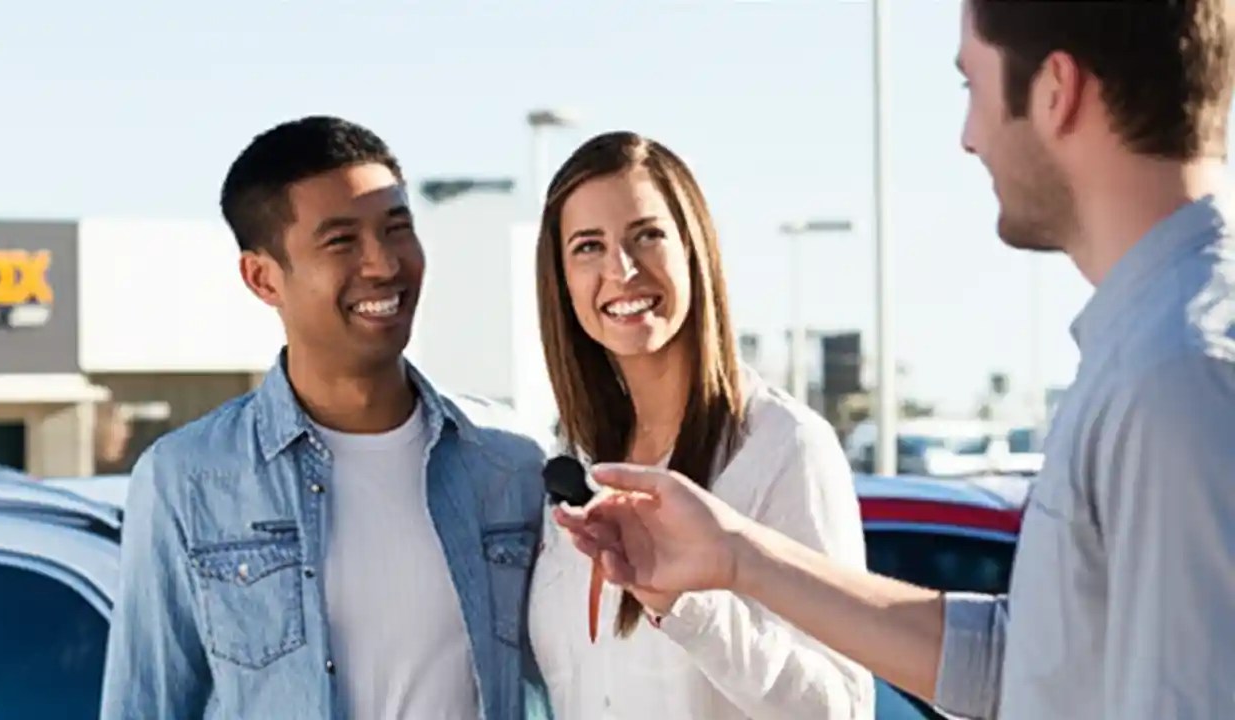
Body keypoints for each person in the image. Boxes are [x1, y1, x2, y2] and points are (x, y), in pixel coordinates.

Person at [555, 2, 1235, 719]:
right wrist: (735, 555)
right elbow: (1019, 661)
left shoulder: (1176, 376)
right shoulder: (1147, 355)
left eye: (971, 88)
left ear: (1056, 92)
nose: (969, 138)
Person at [99, 116, 550, 720]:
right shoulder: (188, 479)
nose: (384, 264)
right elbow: (145, 707)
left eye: (398, 228)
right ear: (263, 278)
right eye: (341, 241)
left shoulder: (511, 460)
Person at [528, 130, 874, 719]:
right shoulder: (572, 458)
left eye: (647, 236)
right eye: (588, 246)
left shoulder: (784, 448)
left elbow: (841, 707)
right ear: (561, 280)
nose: (622, 268)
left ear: (694, 250)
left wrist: (690, 606)